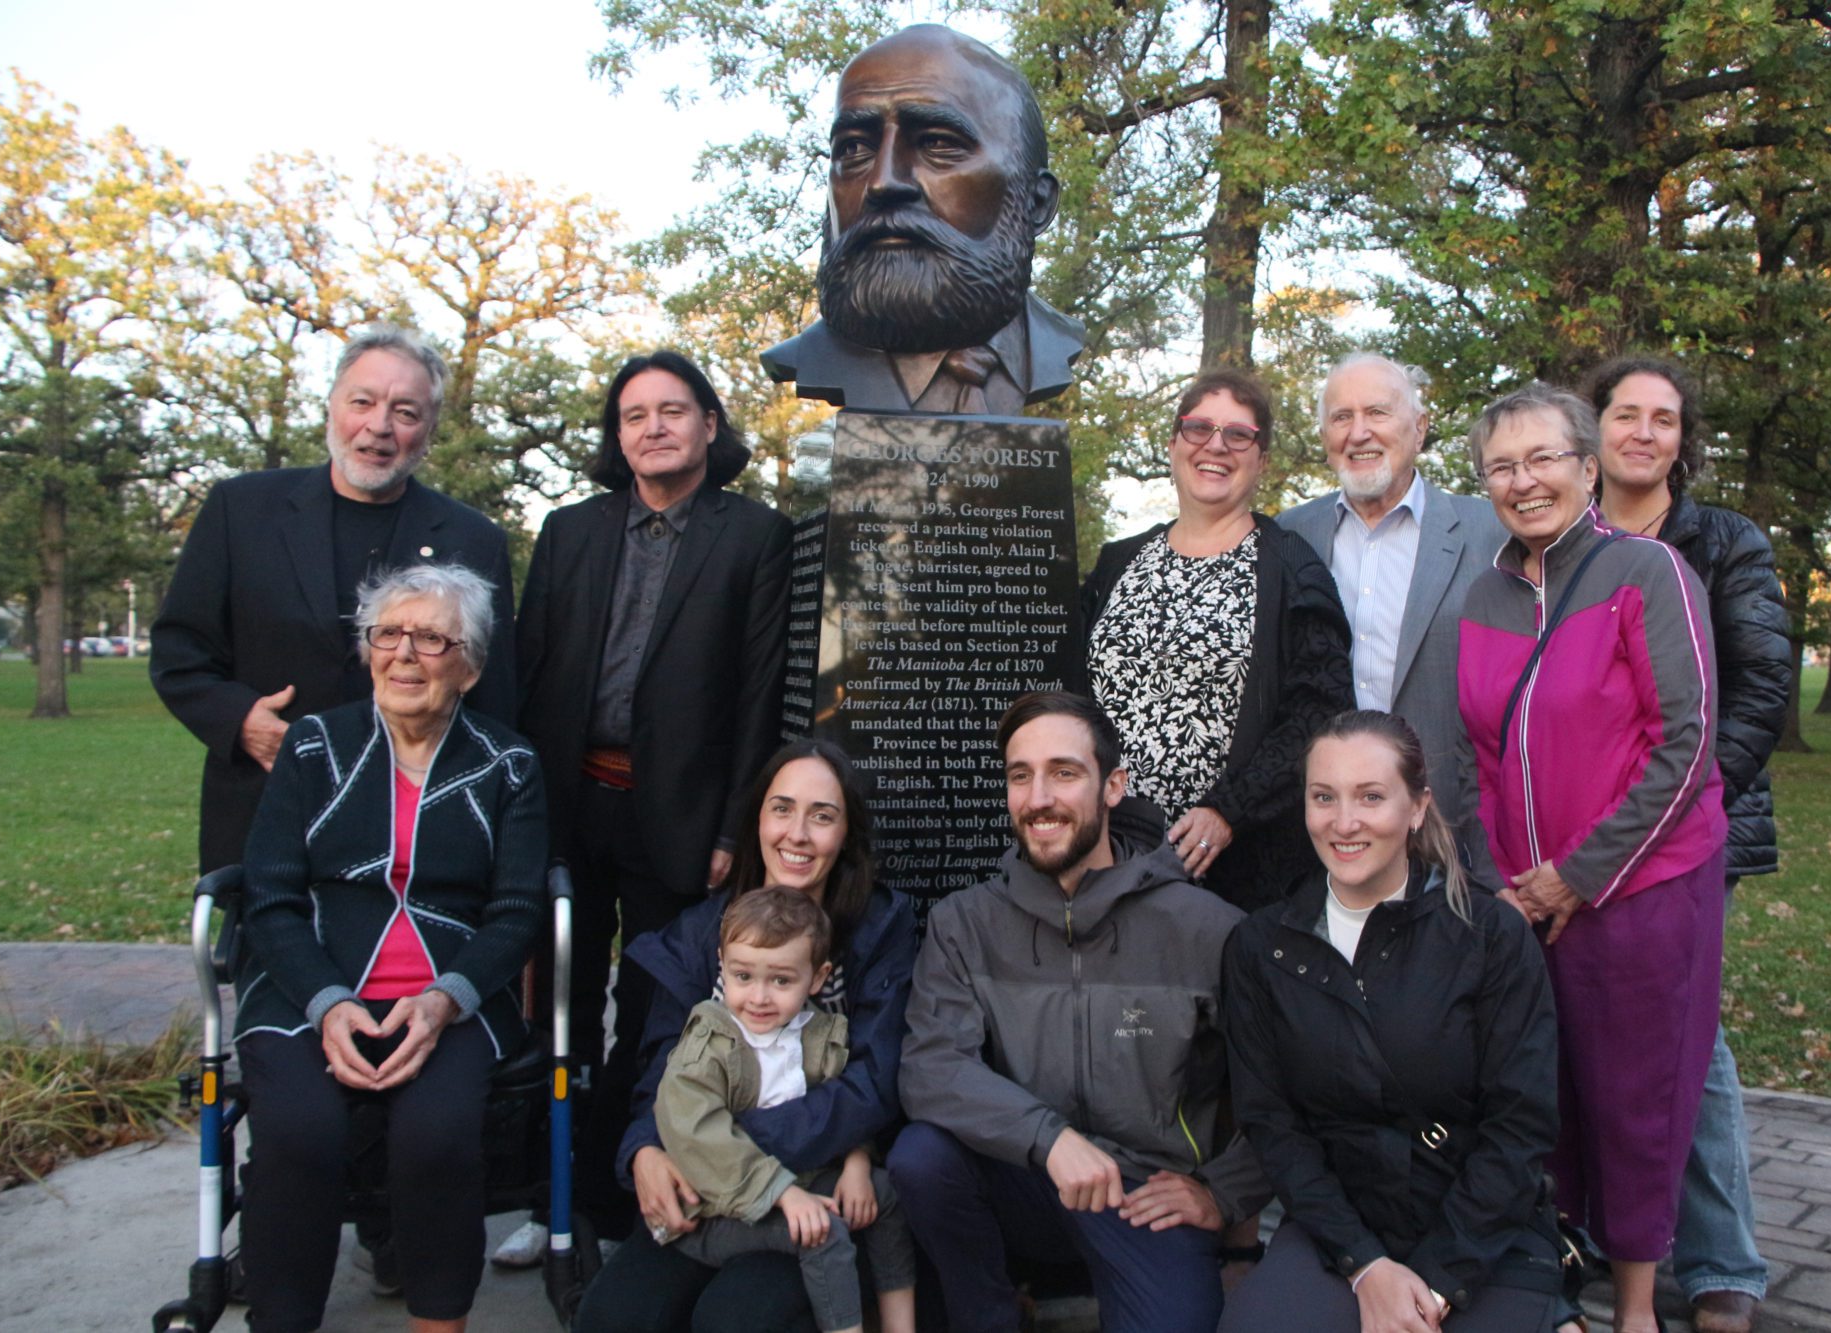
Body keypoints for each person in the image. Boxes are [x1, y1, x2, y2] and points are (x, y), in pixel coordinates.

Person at [1457, 383, 1726, 1333]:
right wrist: (1507, 880)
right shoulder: (1483, 594)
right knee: (1547, 1094)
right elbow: (1481, 756)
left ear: (1584, 465)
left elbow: (1685, 740)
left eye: (1542, 460)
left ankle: (1639, 1305)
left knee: (1636, 1098)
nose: (1524, 481)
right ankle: (1555, 1275)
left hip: (1641, 887)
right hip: (1529, 900)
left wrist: (1580, 870)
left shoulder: (1644, 572)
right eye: (1502, 466)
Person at [512, 349, 792, 1244]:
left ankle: (624, 1193)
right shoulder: (570, 533)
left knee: (650, 1013)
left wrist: (731, 827)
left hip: (679, 818)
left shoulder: (753, 535)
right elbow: (528, 676)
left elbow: (759, 697)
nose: (654, 427)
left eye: (674, 410)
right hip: (569, 802)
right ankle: (546, 1195)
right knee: (555, 1003)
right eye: (635, 415)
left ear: (710, 425)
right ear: (617, 436)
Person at [889, 692, 1272, 1333]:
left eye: (1063, 773)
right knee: (920, 1158)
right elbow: (931, 1066)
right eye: (1020, 776)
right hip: (1021, 1174)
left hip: (1145, 1198)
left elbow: (1285, 1086)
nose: (1039, 798)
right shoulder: (963, 923)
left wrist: (1223, 1191)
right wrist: (1048, 1138)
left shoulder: (1208, 930)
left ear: (1113, 785)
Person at [229, 563, 545, 1333]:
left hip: (452, 996)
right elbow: (268, 897)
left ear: (467, 666)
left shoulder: (510, 765)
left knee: (436, 1136)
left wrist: (445, 1000)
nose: (405, 653)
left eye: (432, 638)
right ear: (368, 648)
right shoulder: (312, 747)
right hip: (305, 986)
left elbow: (515, 910)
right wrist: (327, 1001)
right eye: (388, 634)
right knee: (299, 1130)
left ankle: (438, 1320)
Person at [1220, 710, 1562, 1332]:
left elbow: (1521, 1125)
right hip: (1342, 1229)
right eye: (1324, 797)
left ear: (1416, 808)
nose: (1344, 822)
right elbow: (1273, 1127)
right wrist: (1366, 1266)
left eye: (1371, 797)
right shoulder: (1260, 947)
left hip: (1484, 1230)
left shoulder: (1490, 937)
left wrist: (1433, 1285)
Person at [1584, 356, 1792, 1333]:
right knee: (1580, 1028)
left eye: (1661, 418)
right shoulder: (1559, 541)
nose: (1641, 432)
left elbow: (1760, 684)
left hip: (1690, 834)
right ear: (1591, 429)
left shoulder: (1722, 544)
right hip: (1577, 839)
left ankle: (1718, 1259)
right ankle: (1595, 1229)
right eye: (1623, 413)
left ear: (1680, 438)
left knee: (1684, 1038)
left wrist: (1691, 804)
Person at [575, 739, 917, 1333]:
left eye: (823, 815)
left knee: (734, 1319)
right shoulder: (701, 931)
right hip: (700, 1192)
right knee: (614, 1318)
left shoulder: (877, 929)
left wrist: (709, 1142)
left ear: (847, 834)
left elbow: (872, 1083)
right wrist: (646, 1150)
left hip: (813, 1185)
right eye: (782, 809)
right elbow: (658, 1067)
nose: (798, 834)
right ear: (757, 818)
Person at [152, 323, 516, 876]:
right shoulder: (239, 511)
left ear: (429, 429)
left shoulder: (474, 540)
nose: (379, 427)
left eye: (406, 412)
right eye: (362, 402)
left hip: (420, 838)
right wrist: (242, 720)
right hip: (267, 819)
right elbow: (180, 652)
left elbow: (496, 695)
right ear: (331, 407)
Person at [1080, 367, 1353, 910]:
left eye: (1238, 434)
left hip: (1231, 871)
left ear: (1261, 459)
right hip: (1107, 858)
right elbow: (1071, 697)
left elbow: (1318, 714)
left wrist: (1228, 810)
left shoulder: (1291, 570)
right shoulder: (1117, 563)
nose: (1216, 446)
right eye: (1199, 428)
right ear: (1173, 444)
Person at [761, 23, 1084, 414]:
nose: (883, 182)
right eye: (855, 148)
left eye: (937, 142)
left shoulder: (1055, 347)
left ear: (1036, 202)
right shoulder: (805, 359)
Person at [1278, 353, 1505, 887]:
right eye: (1341, 417)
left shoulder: (1492, 533)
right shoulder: (1289, 537)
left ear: (1420, 427)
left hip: (1457, 834)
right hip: (1325, 837)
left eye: (1377, 412)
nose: (1359, 433)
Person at [652, 886, 916, 1333]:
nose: (758, 997)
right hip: (714, 1210)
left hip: (803, 1178)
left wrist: (856, 1161)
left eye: (780, 980)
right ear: (723, 966)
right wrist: (781, 1193)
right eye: (743, 976)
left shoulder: (819, 1032)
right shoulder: (710, 1040)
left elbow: (847, 1110)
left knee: (886, 1194)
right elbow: (694, 1132)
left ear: (817, 977)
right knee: (823, 1231)